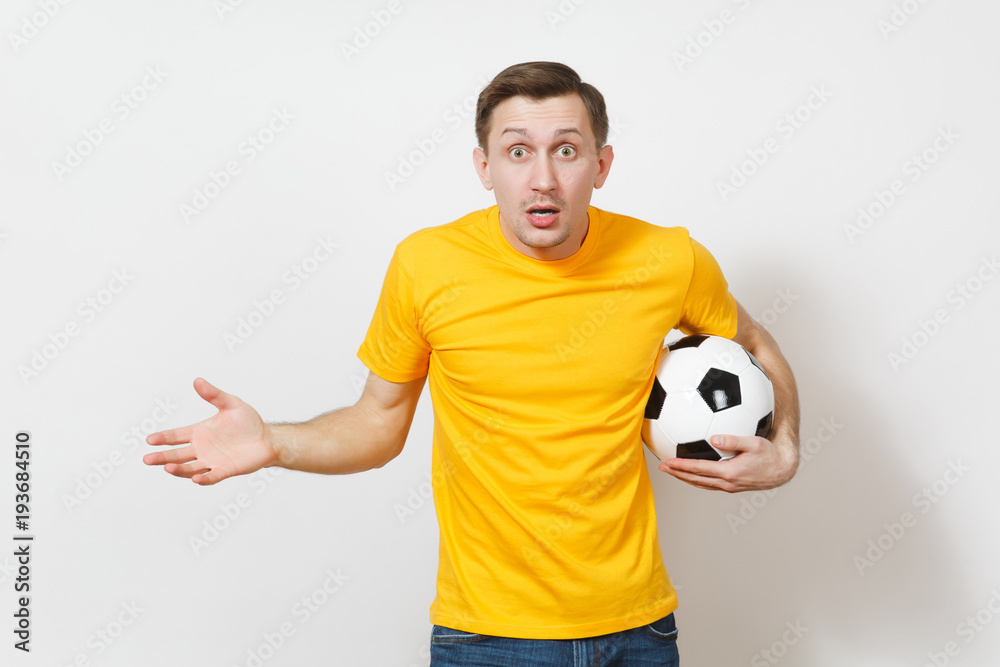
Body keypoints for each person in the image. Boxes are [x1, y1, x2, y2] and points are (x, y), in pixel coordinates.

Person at [144, 61, 800, 666]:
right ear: (485, 167)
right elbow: (378, 422)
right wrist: (273, 442)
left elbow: (755, 342)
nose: (542, 179)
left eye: (565, 150)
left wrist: (787, 448)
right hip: (486, 639)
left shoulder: (668, 259)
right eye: (518, 151)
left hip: (638, 629)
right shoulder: (427, 267)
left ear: (600, 164)